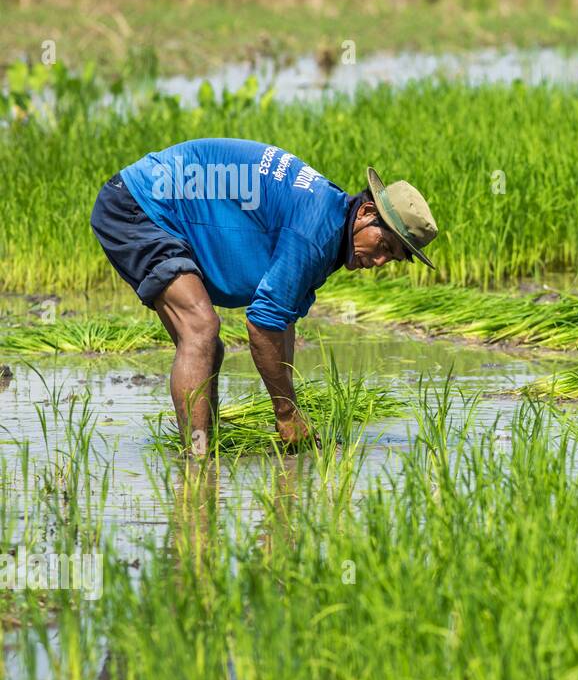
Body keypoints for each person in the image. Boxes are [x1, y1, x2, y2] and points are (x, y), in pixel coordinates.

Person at [90, 138, 437, 453]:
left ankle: (204, 454)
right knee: (200, 330)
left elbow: (281, 318)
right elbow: (262, 325)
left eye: (391, 258)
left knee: (207, 342)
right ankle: (197, 465)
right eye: (383, 246)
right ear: (365, 213)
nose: (377, 261)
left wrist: (291, 412)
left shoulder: (329, 218)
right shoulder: (315, 231)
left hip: (167, 206)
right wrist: (286, 413)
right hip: (138, 205)